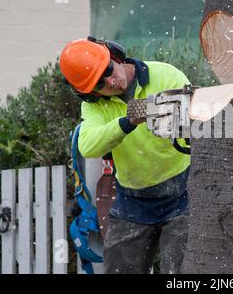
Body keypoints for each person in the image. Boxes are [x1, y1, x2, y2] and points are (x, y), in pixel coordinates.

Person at [59, 37, 191, 274]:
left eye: (108, 70)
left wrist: (173, 119)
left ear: (115, 56)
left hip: (183, 192)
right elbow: (87, 146)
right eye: (100, 84)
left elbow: (195, 119)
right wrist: (128, 122)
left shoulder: (165, 75)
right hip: (133, 199)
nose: (111, 81)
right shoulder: (94, 106)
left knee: (182, 273)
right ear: (91, 94)